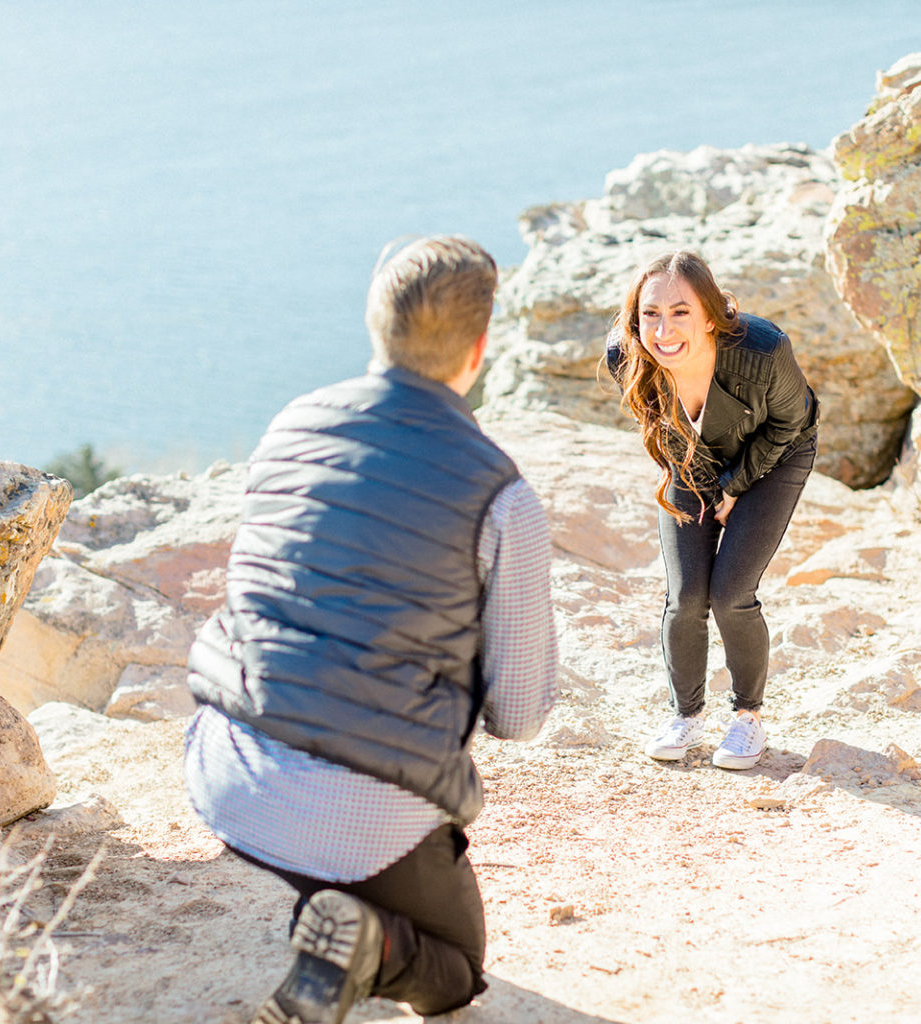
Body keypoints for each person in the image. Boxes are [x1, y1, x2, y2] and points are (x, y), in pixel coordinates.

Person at [184, 235, 556, 1024]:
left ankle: (327, 903)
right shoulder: (501, 493)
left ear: (375, 325)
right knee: (455, 968)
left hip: (227, 773)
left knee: (326, 834)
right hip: (362, 814)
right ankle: (368, 941)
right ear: (480, 349)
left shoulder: (292, 424)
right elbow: (519, 716)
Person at [605, 250, 817, 771]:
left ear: (709, 313)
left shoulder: (764, 350)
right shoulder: (625, 355)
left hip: (777, 456)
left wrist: (736, 486)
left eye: (680, 311)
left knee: (730, 594)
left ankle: (747, 718)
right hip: (694, 461)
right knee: (685, 596)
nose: (663, 329)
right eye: (650, 313)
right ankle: (687, 716)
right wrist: (709, 486)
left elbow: (794, 422)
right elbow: (660, 430)